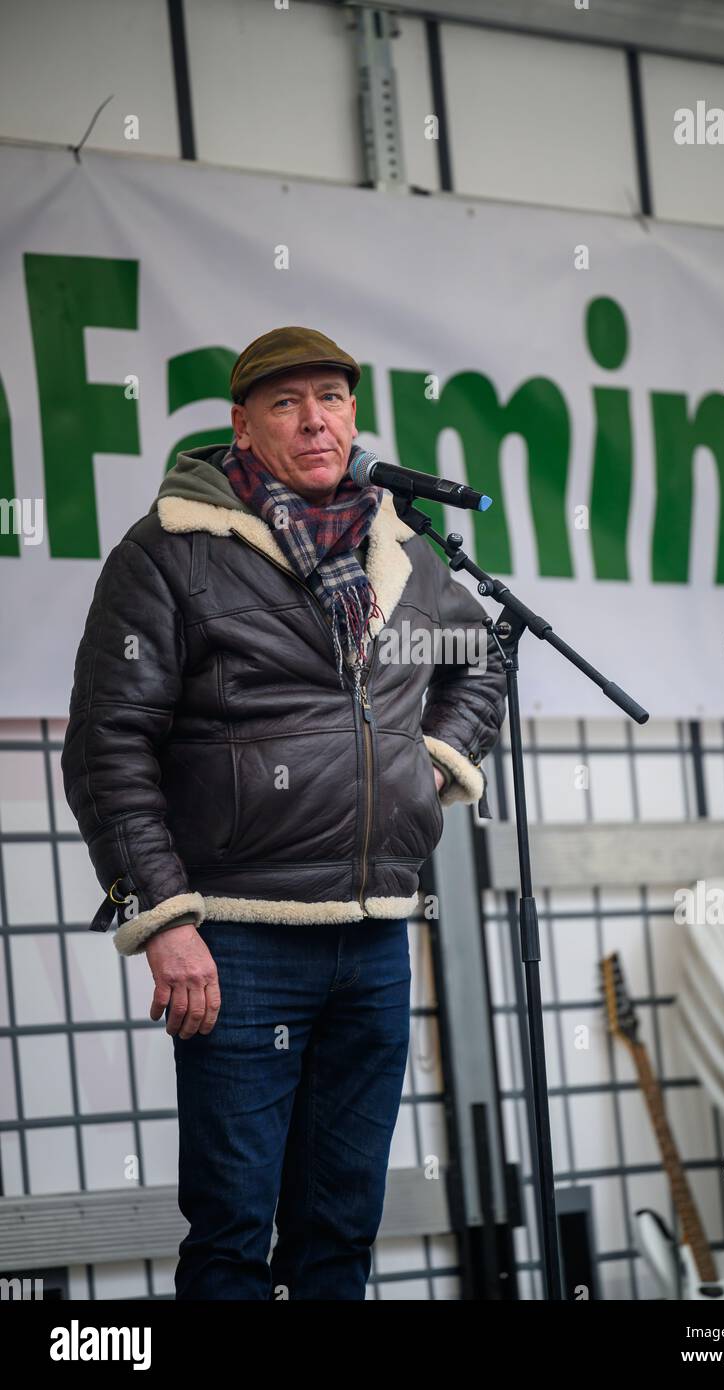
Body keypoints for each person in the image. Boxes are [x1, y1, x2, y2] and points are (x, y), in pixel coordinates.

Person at [60, 325, 507, 1300]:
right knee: (229, 1234)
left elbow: (482, 658)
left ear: (353, 413)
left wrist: (432, 760)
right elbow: (107, 746)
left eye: (333, 399)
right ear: (242, 424)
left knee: (340, 1226)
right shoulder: (170, 552)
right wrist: (164, 918)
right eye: (287, 402)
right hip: (236, 939)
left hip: (376, 934)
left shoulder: (401, 545)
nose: (316, 420)